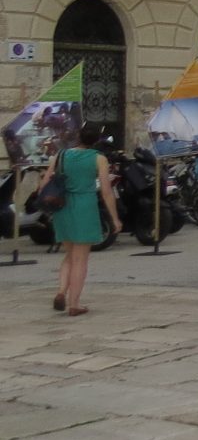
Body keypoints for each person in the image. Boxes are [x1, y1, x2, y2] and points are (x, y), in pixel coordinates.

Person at [51, 123, 120, 315]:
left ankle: (61, 291)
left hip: (63, 207)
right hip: (85, 206)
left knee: (69, 254)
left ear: (79, 136)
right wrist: (115, 219)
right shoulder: (99, 159)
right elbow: (106, 191)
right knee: (80, 259)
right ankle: (74, 304)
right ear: (97, 140)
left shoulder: (61, 155)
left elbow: (46, 180)